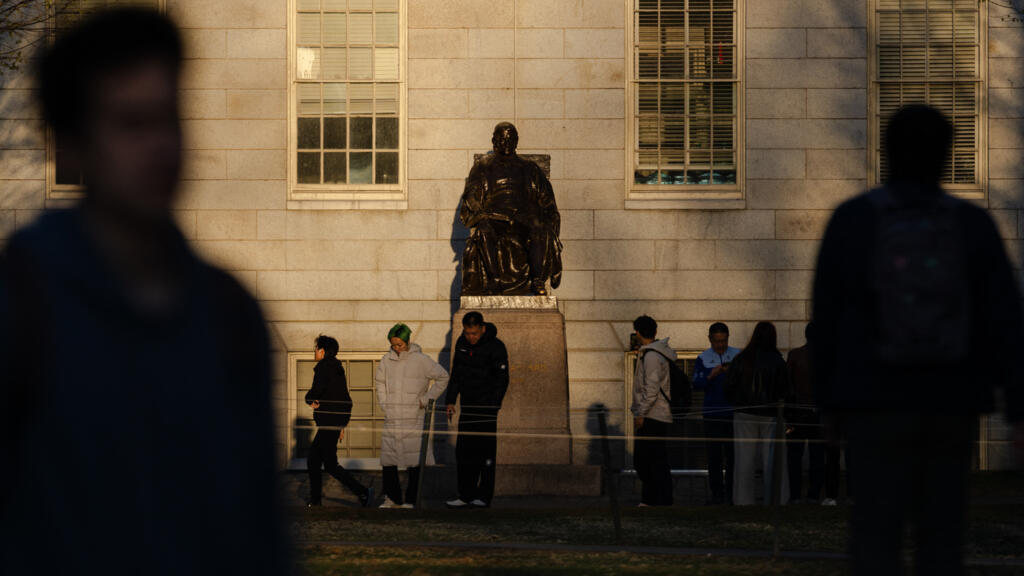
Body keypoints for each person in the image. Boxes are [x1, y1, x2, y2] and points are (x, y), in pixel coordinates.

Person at [0, 8, 285, 573]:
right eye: (132, 124)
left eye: (168, 118)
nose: (161, 146)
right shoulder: (19, 305)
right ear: (73, 146)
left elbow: (260, 529)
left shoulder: (231, 311)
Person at [813, 104, 1024, 575]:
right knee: (942, 539)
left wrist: (827, 403)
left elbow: (826, 321)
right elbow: (1006, 319)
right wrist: (1017, 409)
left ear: (887, 153)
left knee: (874, 536)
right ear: (946, 156)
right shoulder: (972, 225)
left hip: (873, 400)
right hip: (951, 401)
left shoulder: (853, 220)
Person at [459, 122, 563, 296]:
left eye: (510, 139)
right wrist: (480, 211)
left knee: (540, 228)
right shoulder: (483, 166)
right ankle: (494, 279)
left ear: (516, 141)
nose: (505, 142)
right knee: (484, 228)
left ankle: (537, 281)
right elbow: (471, 194)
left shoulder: (529, 167)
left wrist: (547, 217)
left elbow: (546, 199)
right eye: (501, 139)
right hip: (495, 216)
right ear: (494, 141)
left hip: (524, 216)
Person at [375, 323, 449, 509]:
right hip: (392, 416)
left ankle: (411, 499)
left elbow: (443, 377)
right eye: (393, 344)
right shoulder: (386, 360)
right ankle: (392, 498)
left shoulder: (421, 360)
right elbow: (380, 383)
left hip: (414, 416)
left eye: (399, 344)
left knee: (415, 460)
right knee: (388, 459)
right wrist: (385, 403)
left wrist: (425, 400)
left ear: (407, 341)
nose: (396, 348)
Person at [445, 311, 510, 508]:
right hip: (468, 405)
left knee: (485, 453)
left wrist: (493, 405)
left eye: (474, 333)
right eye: (467, 333)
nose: (470, 337)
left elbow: (502, 379)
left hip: (486, 408)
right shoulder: (462, 344)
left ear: (482, 329)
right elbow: (456, 373)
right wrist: (451, 401)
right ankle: (465, 494)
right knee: (464, 452)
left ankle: (483, 496)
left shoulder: (496, 346)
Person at [725, 321, 791, 506]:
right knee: (773, 459)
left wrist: (738, 402)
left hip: (744, 412)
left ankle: (742, 500)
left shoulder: (741, 358)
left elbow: (729, 386)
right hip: (771, 413)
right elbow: (786, 390)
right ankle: (777, 498)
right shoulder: (777, 361)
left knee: (743, 459)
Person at [305, 334, 373, 507]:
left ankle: (360, 492)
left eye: (316, 348)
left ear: (322, 350)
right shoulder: (336, 368)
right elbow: (345, 400)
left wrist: (308, 398)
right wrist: (342, 424)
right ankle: (360, 492)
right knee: (325, 463)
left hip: (329, 423)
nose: (314, 352)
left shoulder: (324, 367)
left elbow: (316, 390)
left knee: (319, 461)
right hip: (333, 423)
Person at [785, 322, 839, 505]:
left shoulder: (795, 355)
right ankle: (814, 494)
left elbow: (788, 386)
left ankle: (795, 495)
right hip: (819, 411)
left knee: (795, 456)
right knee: (817, 456)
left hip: (798, 411)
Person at [692, 322, 740, 504]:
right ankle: (716, 493)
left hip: (733, 413)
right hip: (712, 413)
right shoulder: (703, 358)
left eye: (724, 341)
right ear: (710, 340)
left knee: (732, 456)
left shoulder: (737, 355)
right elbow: (696, 384)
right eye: (717, 341)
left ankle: (731, 492)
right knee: (714, 457)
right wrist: (711, 376)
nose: (720, 345)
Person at [630, 315, 676, 506]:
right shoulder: (655, 353)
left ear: (638, 332)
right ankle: (657, 498)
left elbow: (651, 389)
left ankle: (655, 499)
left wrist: (641, 413)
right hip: (657, 414)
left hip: (653, 415)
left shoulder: (651, 356)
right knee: (653, 460)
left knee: (648, 460)